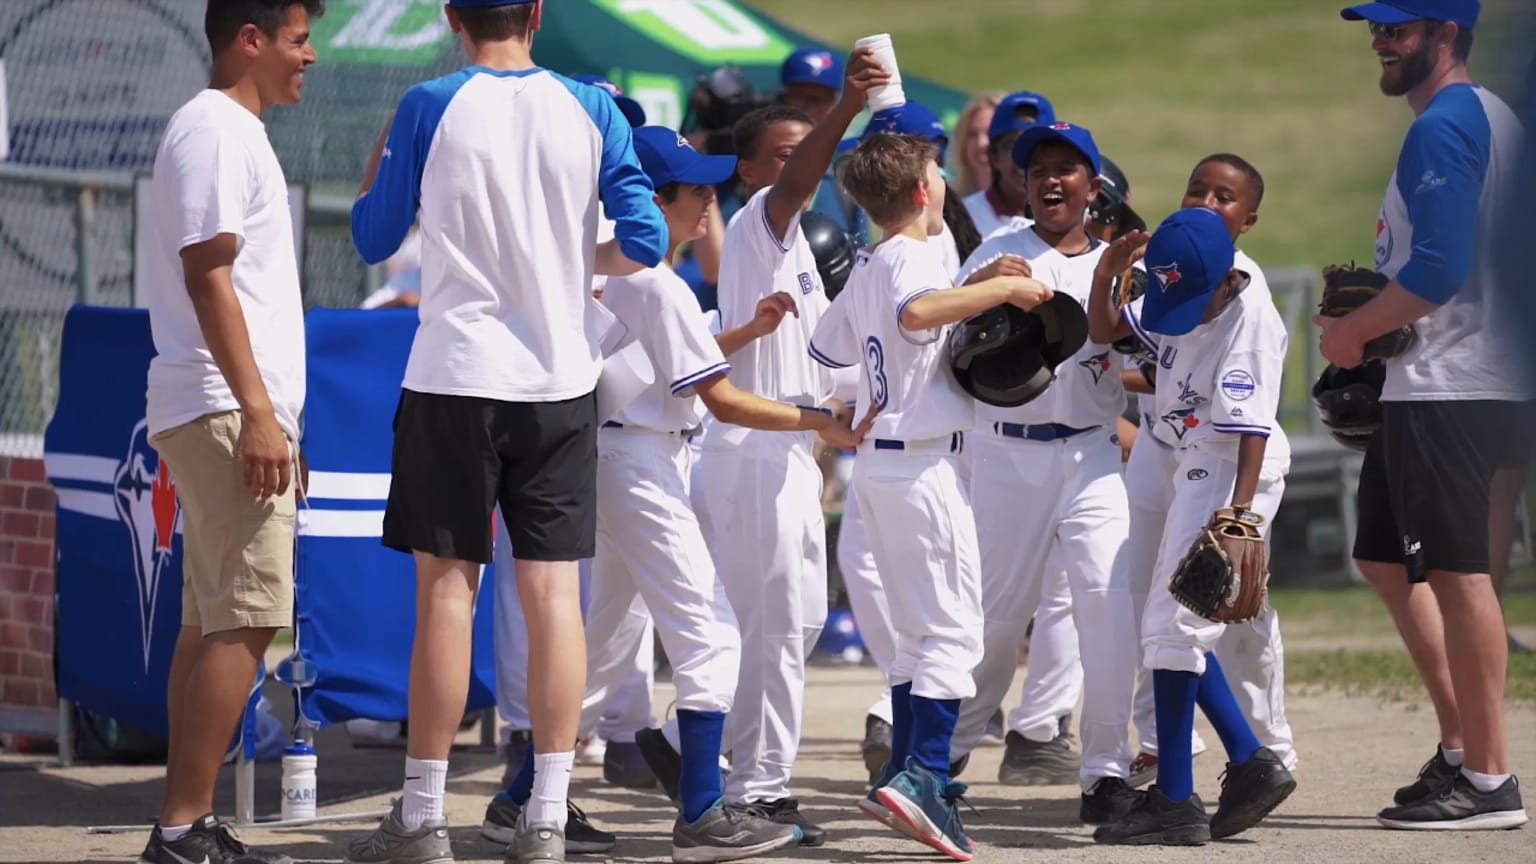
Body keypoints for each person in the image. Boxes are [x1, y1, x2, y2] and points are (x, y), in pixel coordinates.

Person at [344, 1, 668, 862]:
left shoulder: (429, 103)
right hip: (559, 382)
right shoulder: (592, 106)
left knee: (447, 595)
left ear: (452, 15)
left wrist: (391, 146)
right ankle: (548, 818)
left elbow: (373, 234)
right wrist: (572, 261)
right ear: (536, 13)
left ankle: (421, 817)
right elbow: (649, 236)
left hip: (454, 375)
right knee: (554, 595)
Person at [506, 126, 868, 862]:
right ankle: (703, 812)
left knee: (601, 649)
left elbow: (660, 366)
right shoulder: (661, 283)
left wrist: (743, 332)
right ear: (651, 197)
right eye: (695, 189)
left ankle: (517, 801)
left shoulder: (606, 271)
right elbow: (727, 403)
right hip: (642, 467)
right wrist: (816, 421)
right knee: (712, 637)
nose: (709, 201)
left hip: (600, 455)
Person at [1315, 0, 1530, 830]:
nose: (1380, 39)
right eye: (1376, 26)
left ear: (1446, 35)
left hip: (1453, 381)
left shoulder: (1444, 124)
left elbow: (1438, 270)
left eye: (1398, 28)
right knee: (1380, 554)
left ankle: (1488, 781)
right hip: (1450, 379)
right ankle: (1458, 746)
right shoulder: (1493, 115)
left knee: (1456, 573)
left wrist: (1350, 334)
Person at [810, 130, 1053, 861]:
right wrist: (1006, 288)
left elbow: (828, 351)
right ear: (922, 192)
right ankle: (923, 777)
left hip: (883, 469)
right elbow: (917, 314)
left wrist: (855, 404)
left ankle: (905, 776)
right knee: (953, 634)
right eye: (936, 173)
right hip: (921, 465)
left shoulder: (872, 261)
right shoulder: (911, 258)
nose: (943, 179)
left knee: (919, 635)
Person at [680, 49, 891, 846]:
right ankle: (759, 790)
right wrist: (846, 105)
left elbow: (819, 356)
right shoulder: (757, 222)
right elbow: (801, 177)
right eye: (783, 151)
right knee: (771, 630)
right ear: (746, 171)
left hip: (791, 452)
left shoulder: (799, 246)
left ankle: (702, 753)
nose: (801, 164)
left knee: (795, 624)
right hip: (753, 453)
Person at [136, 2, 321, 863]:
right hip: (219, 405)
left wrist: (276, 417)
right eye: (297, 39)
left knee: (213, 625)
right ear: (250, 40)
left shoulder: (223, 129)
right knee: (248, 622)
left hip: (223, 405)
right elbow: (207, 275)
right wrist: (257, 413)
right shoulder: (214, 128)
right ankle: (181, 827)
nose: (309, 56)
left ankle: (184, 822)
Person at [947, 121, 1141, 822]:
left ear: (1094, 185)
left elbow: (1142, 353)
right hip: (1006, 452)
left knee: (1108, 612)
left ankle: (1105, 773)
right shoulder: (999, 250)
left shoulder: (1116, 263)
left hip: (1091, 453)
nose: (1050, 179)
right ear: (1023, 184)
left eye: (1067, 168)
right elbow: (942, 334)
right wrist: (977, 286)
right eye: (1038, 169)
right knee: (994, 622)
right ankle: (949, 752)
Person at [1088, 206, 1297, 846]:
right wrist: (1108, 269)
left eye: (1193, 299)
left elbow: (1252, 429)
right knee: (1168, 629)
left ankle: (1179, 798)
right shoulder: (1185, 286)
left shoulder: (1249, 319)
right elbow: (1106, 331)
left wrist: (1238, 519)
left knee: (1172, 630)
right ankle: (1247, 764)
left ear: (1226, 278)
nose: (1185, 312)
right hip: (1196, 463)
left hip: (1232, 468)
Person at [960, 90, 1054, 239]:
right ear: (995, 156)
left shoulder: (1074, 215)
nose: (1025, 157)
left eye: (1036, 146)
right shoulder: (963, 218)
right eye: (1013, 145)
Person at [951, 90, 1005, 198]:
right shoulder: (951, 203)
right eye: (973, 134)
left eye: (990, 132)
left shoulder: (1034, 203)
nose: (981, 143)